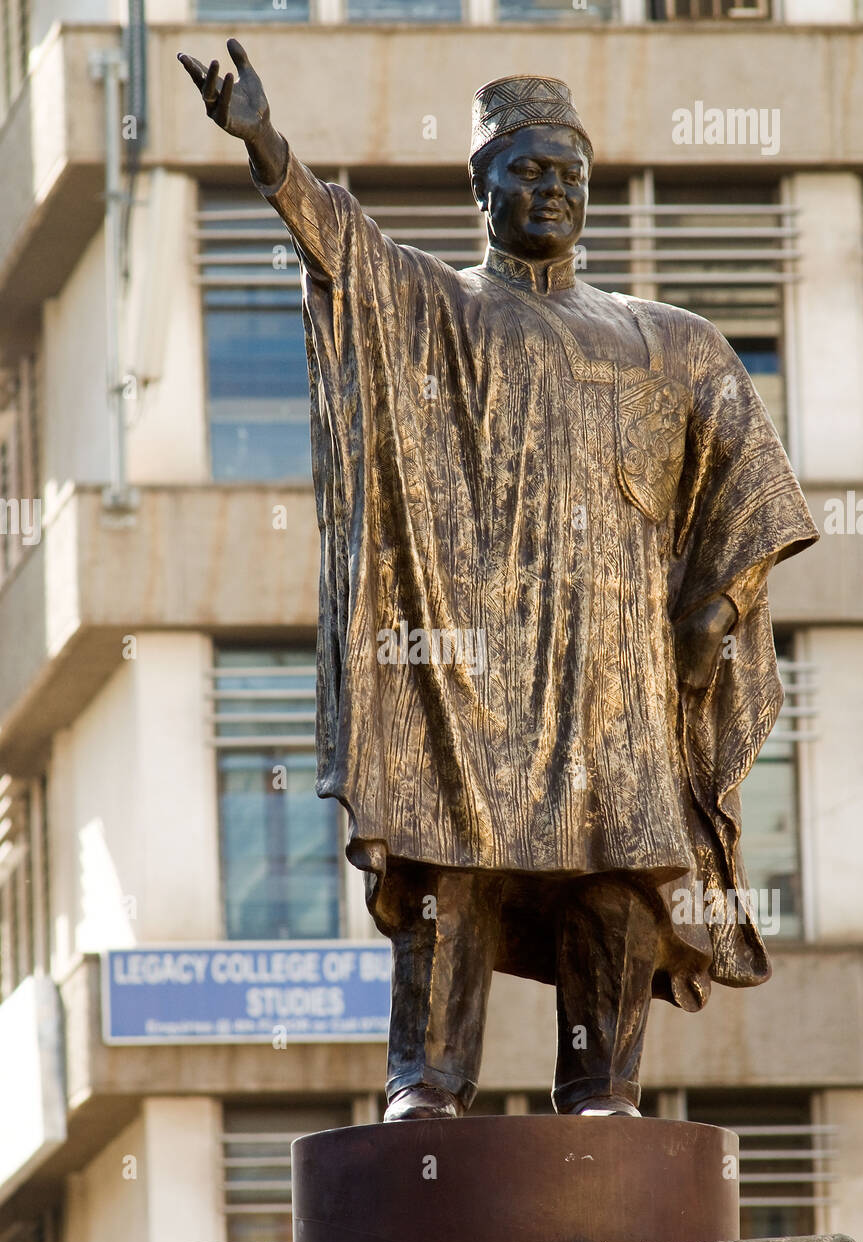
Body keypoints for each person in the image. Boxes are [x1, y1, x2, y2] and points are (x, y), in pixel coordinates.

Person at [179, 45, 819, 1121]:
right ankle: (427, 1084)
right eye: (527, 170)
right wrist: (265, 145)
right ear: (480, 186)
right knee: (448, 852)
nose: (553, 190)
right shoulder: (443, 304)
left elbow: (751, 486)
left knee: (621, 870)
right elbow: (343, 250)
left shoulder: (669, 341)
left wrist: (711, 609)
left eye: (571, 173)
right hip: (473, 652)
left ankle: (602, 1092)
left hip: (615, 666)